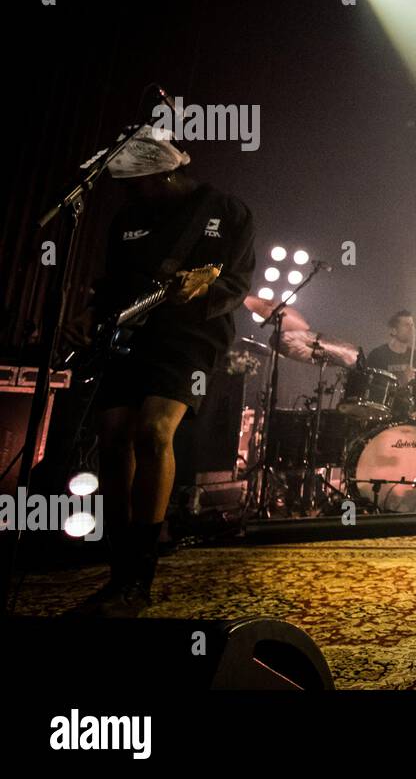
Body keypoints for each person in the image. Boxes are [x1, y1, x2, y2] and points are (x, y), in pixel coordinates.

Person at [71, 126, 254, 617]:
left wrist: (204, 290)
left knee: (154, 433)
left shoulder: (226, 211)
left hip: (189, 337)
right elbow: (112, 281)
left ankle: (140, 579)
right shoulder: (128, 215)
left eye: (140, 183)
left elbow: (237, 282)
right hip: (128, 334)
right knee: (112, 439)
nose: (133, 194)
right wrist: (92, 313)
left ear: (168, 173)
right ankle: (119, 569)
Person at [366, 310, 416, 384]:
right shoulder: (377, 355)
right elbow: (372, 388)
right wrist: (402, 379)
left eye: (412, 325)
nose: (411, 329)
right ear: (394, 331)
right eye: (406, 325)